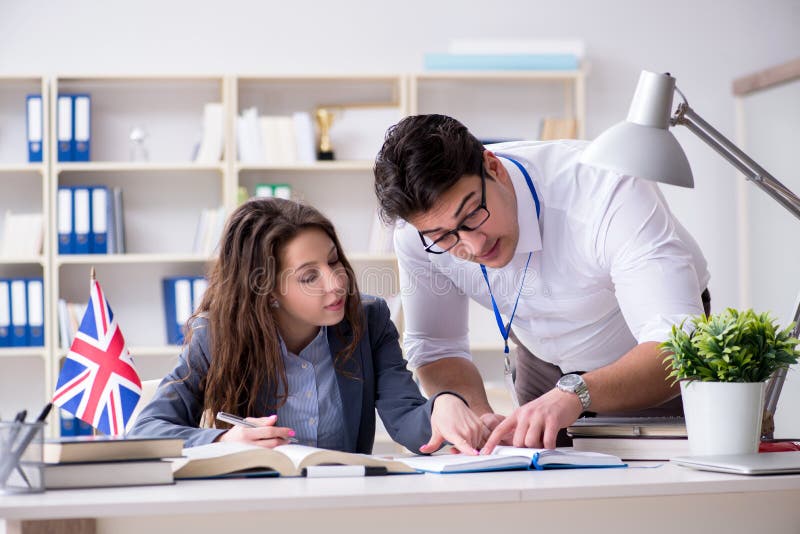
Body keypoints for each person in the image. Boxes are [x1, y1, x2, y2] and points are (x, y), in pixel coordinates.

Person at [373, 114, 711, 451]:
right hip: (541, 361)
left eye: (473, 214)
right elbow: (437, 346)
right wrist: (478, 419)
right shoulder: (418, 234)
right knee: (534, 476)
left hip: (646, 362)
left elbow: (677, 343)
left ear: (494, 167)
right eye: (445, 236)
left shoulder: (606, 189)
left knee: (663, 476)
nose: (473, 246)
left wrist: (577, 392)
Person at [131, 197, 483, 455]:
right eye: (309, 276)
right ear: (268, 290)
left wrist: (442, 406)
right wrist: (224, 440)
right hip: (255, 505)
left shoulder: (369, 321)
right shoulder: (218, 335)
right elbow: (147, 430)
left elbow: (406, 419)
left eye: (333, 261)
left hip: (343, 504)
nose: (336, 282)